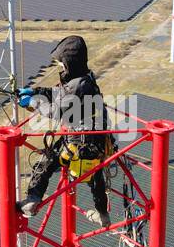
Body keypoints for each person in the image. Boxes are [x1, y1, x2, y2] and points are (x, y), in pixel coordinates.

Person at [16, 35, 112, 226]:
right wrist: (38, 92)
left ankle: (32, 201)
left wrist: (33, 102)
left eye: (62, 64)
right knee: (96, 175)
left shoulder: (78, 86)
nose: (60, 68)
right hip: (98, 140)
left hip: (81, 143)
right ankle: (103, 214)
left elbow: (57, 111)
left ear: (70, 63)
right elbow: (60, 93)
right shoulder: (84, 79)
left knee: (48, 160)